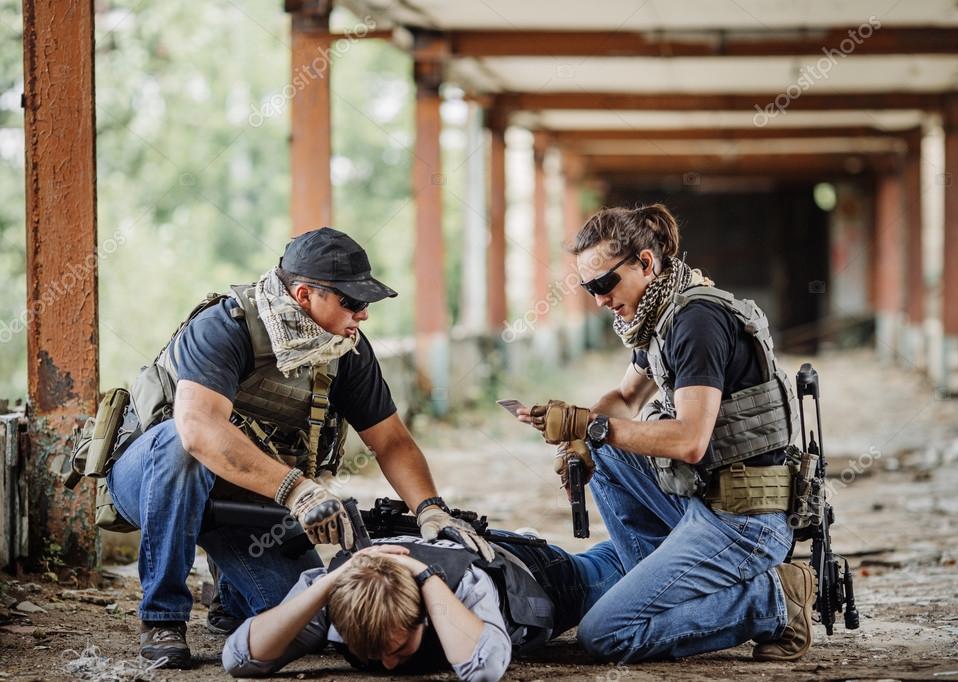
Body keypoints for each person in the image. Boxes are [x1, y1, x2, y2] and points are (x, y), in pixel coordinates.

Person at [106, 227, 493, 668]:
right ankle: (162, 617)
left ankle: (230, 593)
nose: (363, 315)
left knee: (311, 624)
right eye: (352, 302)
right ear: (305, 294)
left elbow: (390, 441)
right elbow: (197, 429)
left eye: (366, 302)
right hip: (154, 482)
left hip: (244, 505)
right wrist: (301, 492)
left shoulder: (345, 350)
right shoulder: (225, 327)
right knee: (180, 447)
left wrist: (430, 510)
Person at [517, 204, 816, 663]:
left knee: (604, 636)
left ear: (645, 263)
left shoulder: (697, 321)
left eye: (604, 284)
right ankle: (657, 580)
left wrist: (593, 428)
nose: (598, 300)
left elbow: (689, 441)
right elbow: (624, 398)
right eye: (588, 288)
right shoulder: (659, 317)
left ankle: (775, 600)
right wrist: (580, 430)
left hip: (746, 521)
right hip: (704, 501)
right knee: (608, 452)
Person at [222, 533, 624, 680]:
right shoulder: (335, 599)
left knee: (623, 561)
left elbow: (484, 666)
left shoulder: (464, 585)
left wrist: (425, 575)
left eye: (398, 648)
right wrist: (324, 584)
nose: (389, 666)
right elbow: (238, 659)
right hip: (426, 554)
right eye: (372, 654)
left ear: (425, 616)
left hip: (543, 577)